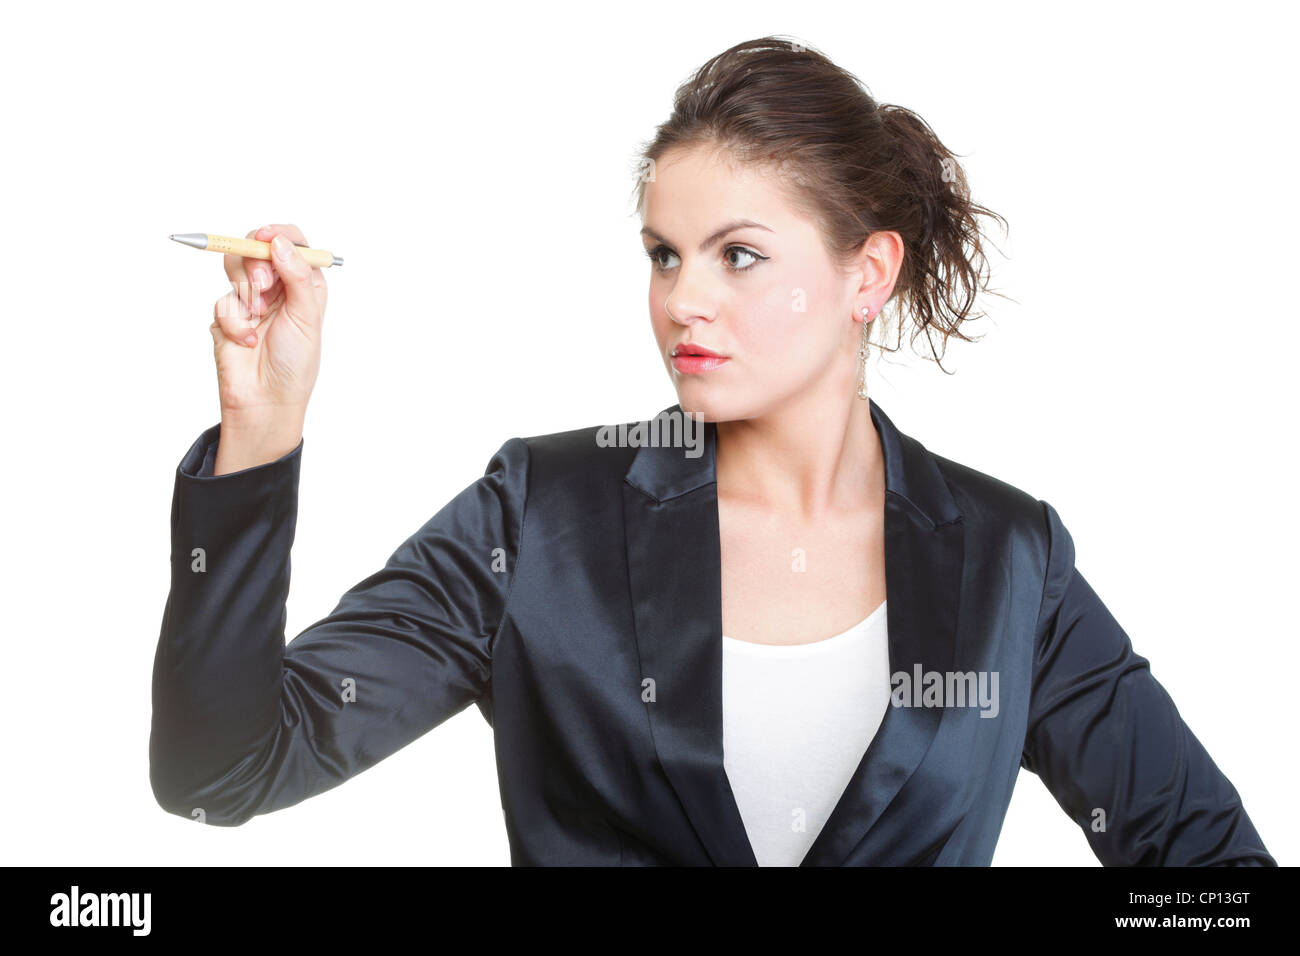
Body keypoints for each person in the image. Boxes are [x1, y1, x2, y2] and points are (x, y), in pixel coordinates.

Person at [150, 36, 1275, 866]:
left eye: (737, 255)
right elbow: (223, 770)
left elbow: (1205, 862)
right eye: (662, 252)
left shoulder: (1006, 560)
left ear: (865, 274)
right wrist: (262, 432)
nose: (682, 299)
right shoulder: (538, 518)